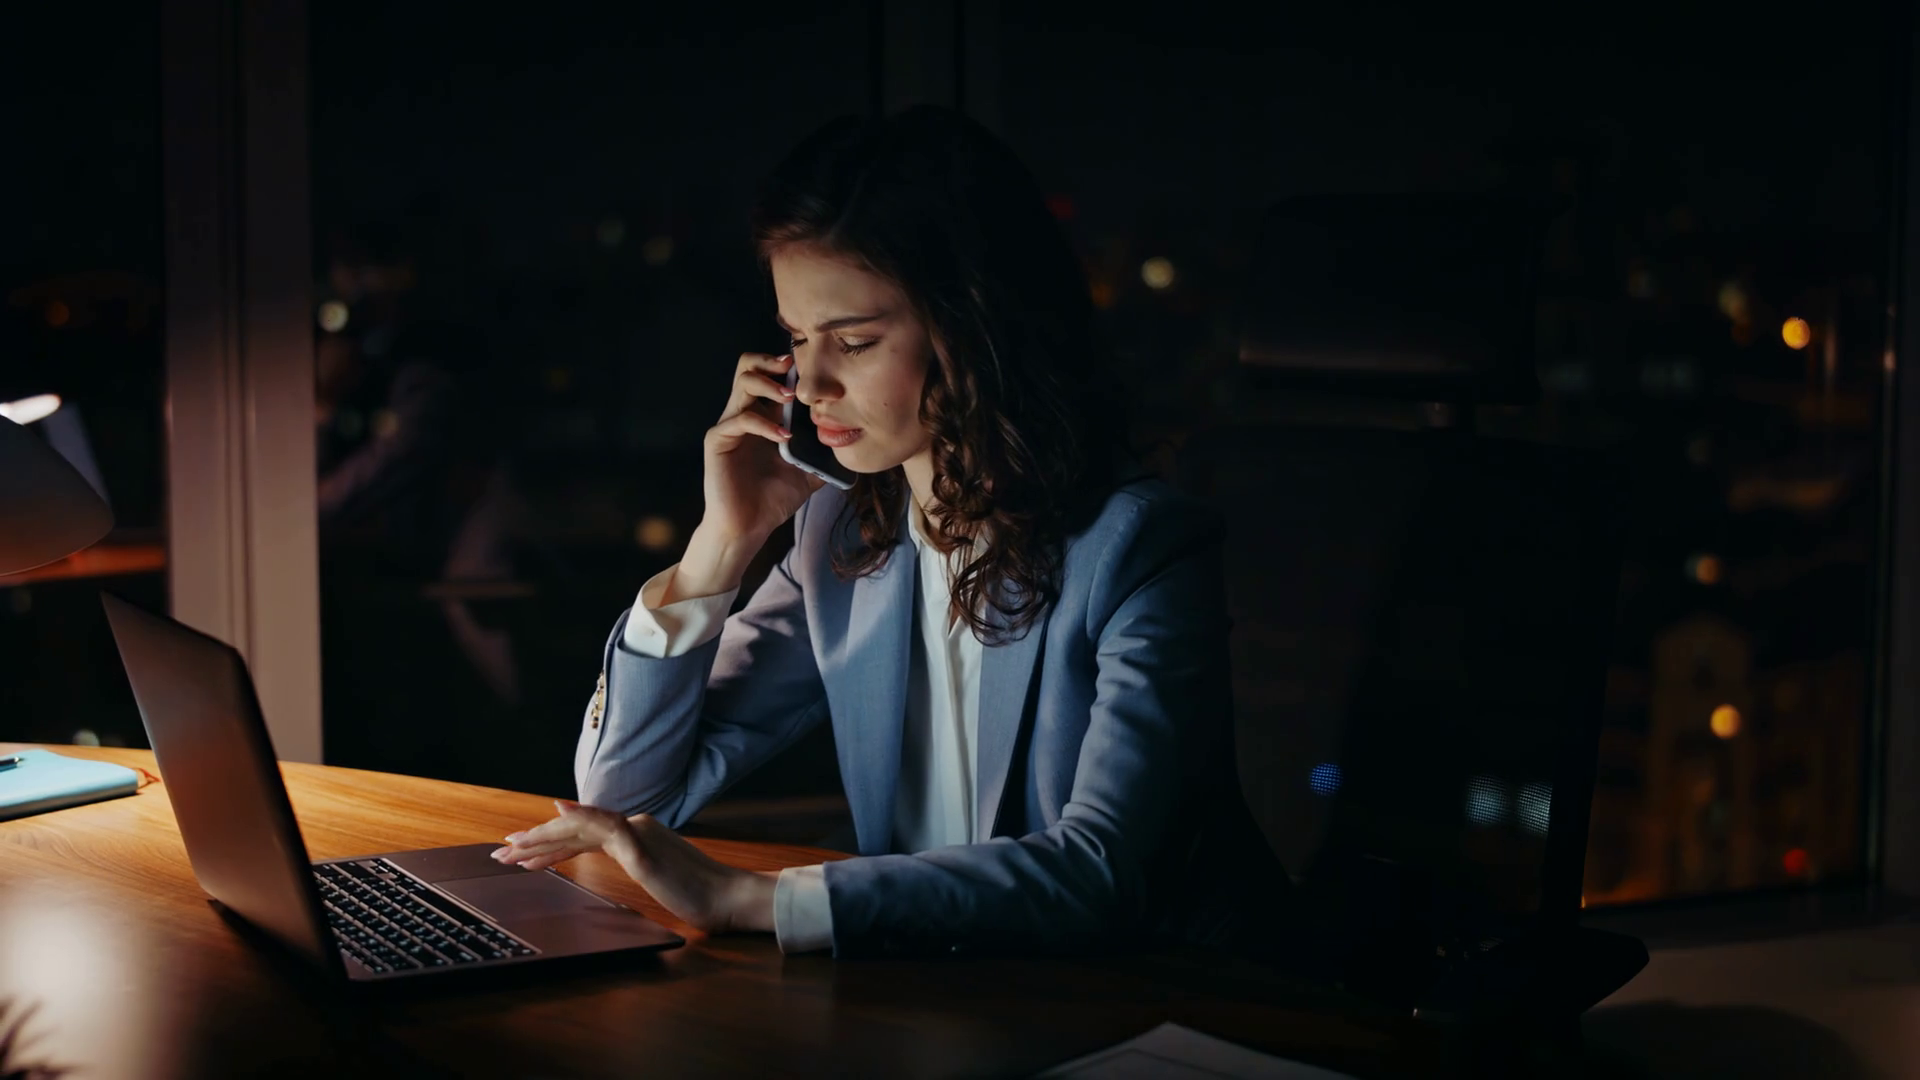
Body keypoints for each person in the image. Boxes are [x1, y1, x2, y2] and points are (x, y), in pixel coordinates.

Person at [492, 105, 1289, 960]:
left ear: (976, 333)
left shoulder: (1136, 550)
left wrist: (750, 898)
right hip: (931, 987)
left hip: (1149, 1001)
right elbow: (627, 790)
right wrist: (718, 546)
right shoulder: (838, 539)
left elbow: (1099, 871)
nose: (814, 383)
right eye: (798, 338)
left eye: (857, 341)